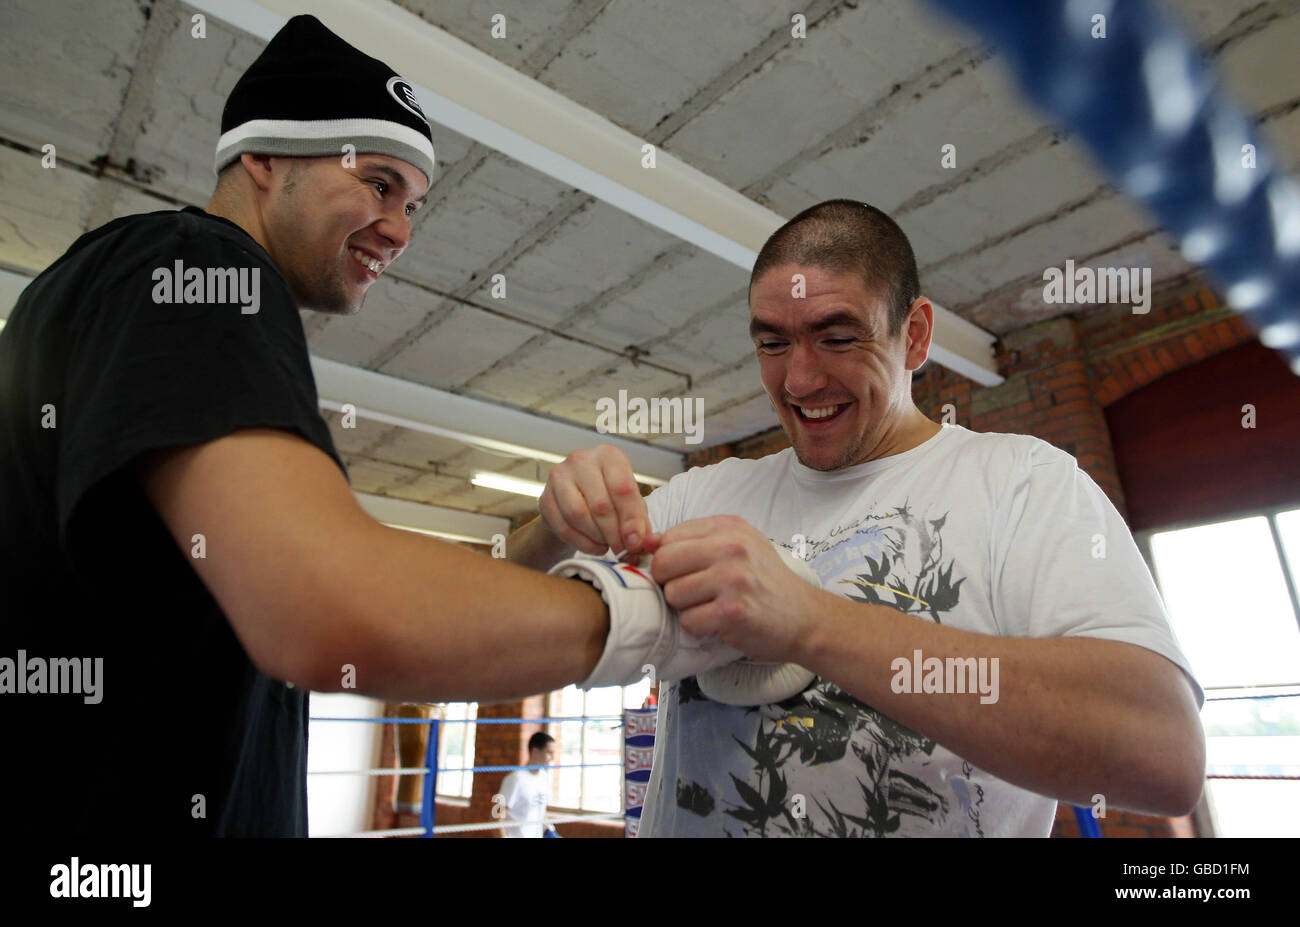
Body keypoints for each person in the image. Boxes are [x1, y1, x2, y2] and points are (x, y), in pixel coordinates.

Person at [0, 15, 730, 838]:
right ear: (266, 157)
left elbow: (369, 601)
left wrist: (544, 539)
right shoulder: (196, 266)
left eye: (414, 203)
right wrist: (657, 622)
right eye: (378, 183)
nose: (403, 230)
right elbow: (329, 607)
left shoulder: (137, 290)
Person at [507, 199, 1207, 837]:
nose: (800, 380)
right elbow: (507, 601)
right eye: (773, 343)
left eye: (837, 337)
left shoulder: (1022, 484)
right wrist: (556, 522)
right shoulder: (702, 493)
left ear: (916, 334)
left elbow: (1164, 756)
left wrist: (812, 621)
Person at [497, 733, 559, 838]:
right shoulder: (515, 779)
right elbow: (496, 818)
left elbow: (538, 810)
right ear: (535, 752)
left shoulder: (544, 777)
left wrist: (550, 831)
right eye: (549, 753)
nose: (552, 758)